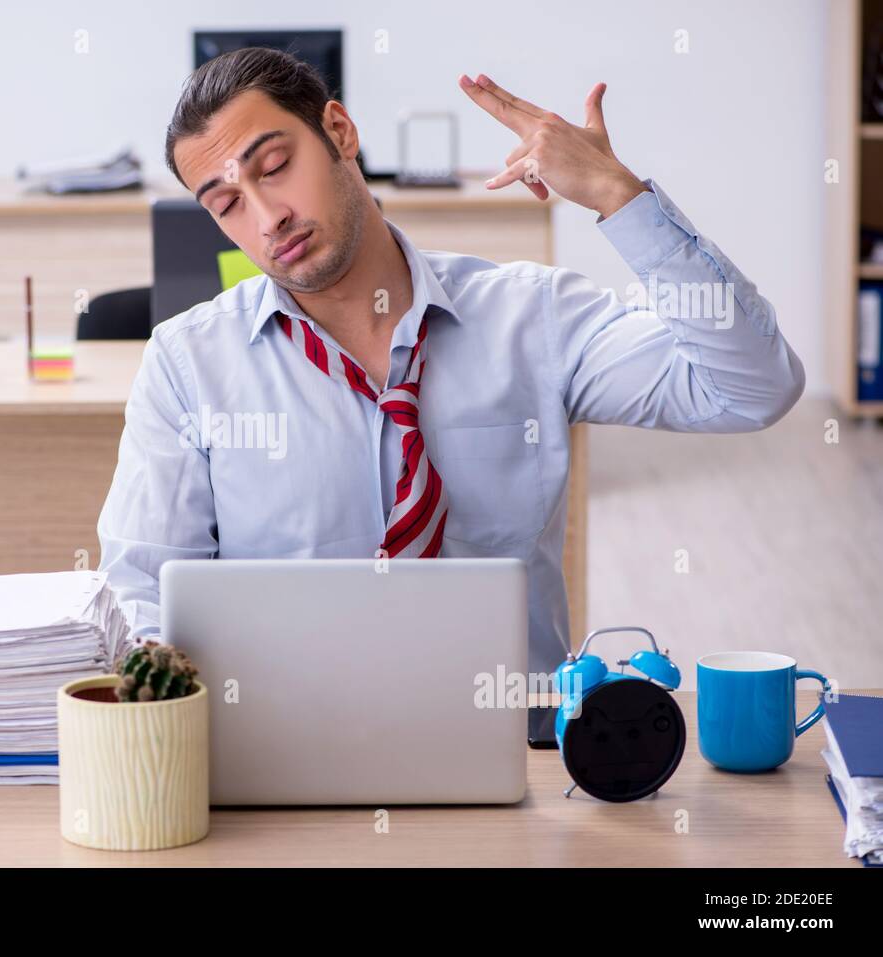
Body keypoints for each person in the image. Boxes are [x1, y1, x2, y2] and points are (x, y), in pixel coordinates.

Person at [97, 47, 805, 675]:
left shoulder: (532, 318)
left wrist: (619, 199)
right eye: (226, 205)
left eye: (275, 167)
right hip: (285, 772)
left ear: (339, 132)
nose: (266, 217)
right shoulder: (188, 365)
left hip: (515, 763)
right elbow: (141, 596)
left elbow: (751, 388)